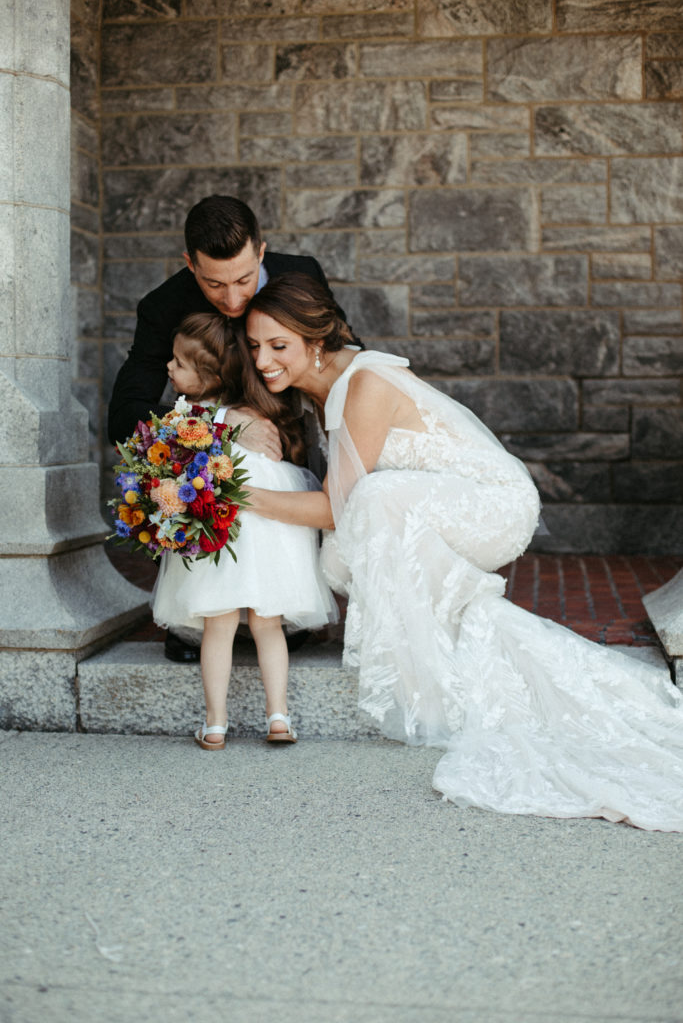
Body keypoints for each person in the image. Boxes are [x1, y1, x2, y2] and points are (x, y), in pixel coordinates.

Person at [240, 272, 683, 831]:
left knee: (368, 506)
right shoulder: (318, 389)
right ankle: (446, 650)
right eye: (255, 347)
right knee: (340, 553)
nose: (263, 360)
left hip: (494, 504)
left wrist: (237, 494)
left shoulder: (366, 382)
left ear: (317, 342)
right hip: (436, 500)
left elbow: (337, 507)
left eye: (278, 346)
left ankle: (435, 668)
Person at [108, 194, 352, 662]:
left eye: (243, 279)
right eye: (214, 284)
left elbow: (339, 356)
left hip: (287, 449)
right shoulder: (162, 306)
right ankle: (194, 614)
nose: (234, 298)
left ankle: (281, 604)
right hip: (204, 467)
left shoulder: (301, 274)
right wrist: (221, 423)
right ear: (189, 264)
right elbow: (124, 417)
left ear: (261, 252)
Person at [151, 311, 338, 747]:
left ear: (206, 374)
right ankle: (279, 717)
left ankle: (215, 722)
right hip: (268, 535)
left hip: (224, 534)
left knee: (218, 626)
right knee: (267, 626)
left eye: (178, 362)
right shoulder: (256, 416)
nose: (169, 368)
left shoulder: (191, 421)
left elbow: (170, 464)